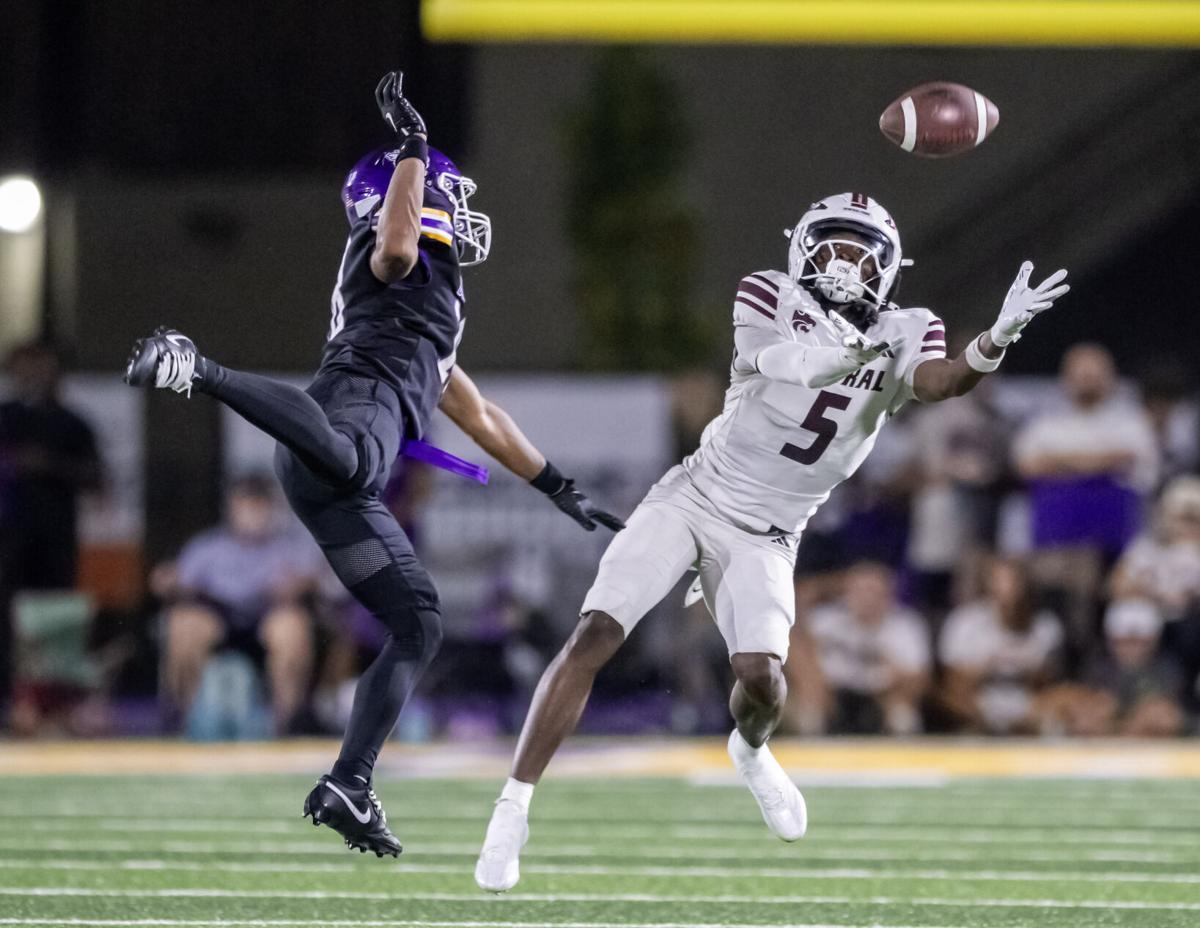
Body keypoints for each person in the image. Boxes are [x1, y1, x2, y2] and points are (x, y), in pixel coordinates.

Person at [475, 192, 1070, 891]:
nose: (846, 262)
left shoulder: (909, 327)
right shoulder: (769, 292)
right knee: (596, 630)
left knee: (763, 684)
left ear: (888, 266)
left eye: (861, 250)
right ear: (803, 247)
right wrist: (850, 353)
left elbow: (941, 383)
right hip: (695, 496)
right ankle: (512, 808)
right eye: (834, 244)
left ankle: (750, 753)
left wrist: (994, 339)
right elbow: (782, 362)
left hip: (770, 534)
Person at [124, 71, 621, 858]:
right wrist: (417, 149)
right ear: (414, 198)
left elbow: (482, 416)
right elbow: (393, 249)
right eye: (447, 196)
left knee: (419, 623)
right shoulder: (394, 250)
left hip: (331, 468)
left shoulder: (432, 321)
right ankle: (198, 368)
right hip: (346, 425)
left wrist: (558, 487)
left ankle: (349, 782)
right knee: (358, 463)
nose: (462, 211)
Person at [155, 473, 326, 734]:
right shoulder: (208, 546)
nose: (253, 513)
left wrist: (300, 585)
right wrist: (168, 581)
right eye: (246, 505)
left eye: (260, 505)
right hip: (218, 617)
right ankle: (189, 721)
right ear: (233, 508)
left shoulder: (290, 546)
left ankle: (284, 724)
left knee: (292, 626)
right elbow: (171, 581)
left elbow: (317, 581)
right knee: (183, 624)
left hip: (268, 615)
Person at [0, 341, 103, 717]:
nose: (36, 376)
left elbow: (96, 478)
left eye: (44, 367)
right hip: (8, 537)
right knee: (6, 615)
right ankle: (11, 699)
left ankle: (53, 702)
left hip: (55, 535)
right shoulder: (6, 416)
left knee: (57, 615)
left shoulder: (72, 423)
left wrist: (50, 465)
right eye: (27, 367)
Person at [936, 556, 1063, 734]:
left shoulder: (1044, 625)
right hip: (979, 698)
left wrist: (1027, 666)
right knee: (953, 695)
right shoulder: (964, 621)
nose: (1003, 589)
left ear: (1025, 585)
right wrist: (989, 665)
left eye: (1011, 581)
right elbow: (951, 678)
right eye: (997, 580)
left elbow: (1050, 680)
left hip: (1028, 700)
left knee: (1067, 701)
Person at [805, 561, 930, 735]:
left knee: (903, 718)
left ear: (888, 595)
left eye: (874, 592)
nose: (867, 599)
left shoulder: (905, 625)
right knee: (808, 713)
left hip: (880, 696)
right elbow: (801, 665)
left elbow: (918, 680)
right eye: (859, 591)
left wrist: (892, 675)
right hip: (832, 693)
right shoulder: (824, 621)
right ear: (847, 592)